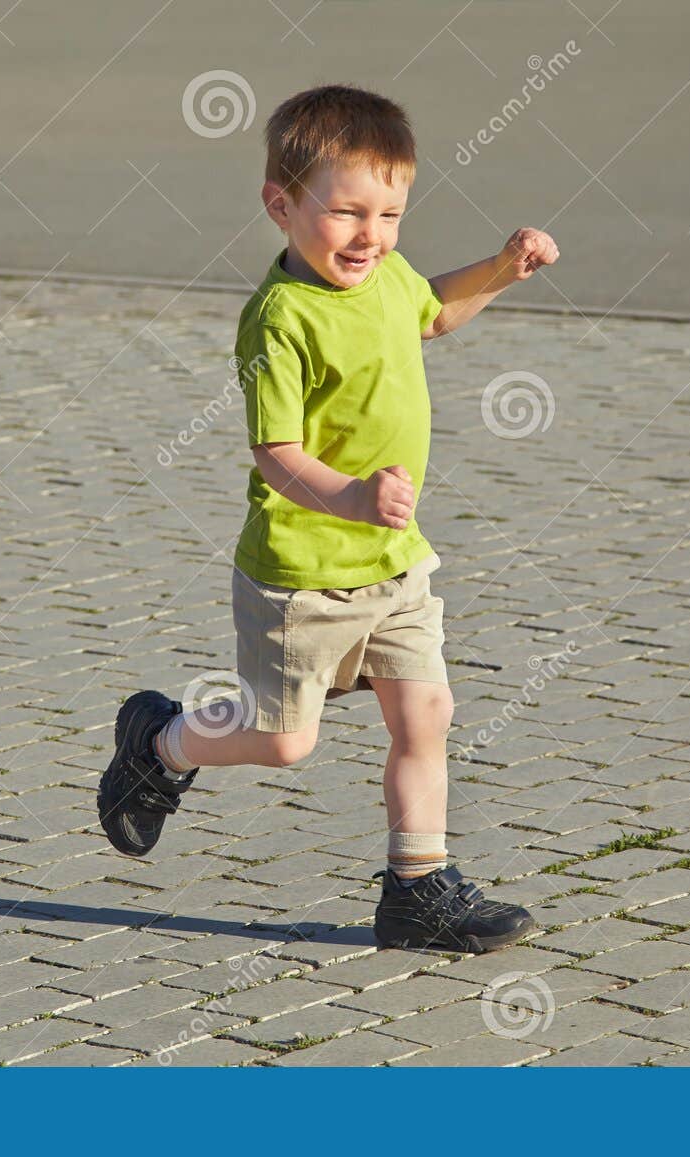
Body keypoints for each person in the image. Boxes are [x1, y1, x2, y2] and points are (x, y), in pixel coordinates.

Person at [98, 83, 560, 954]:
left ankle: (418, 890)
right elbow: (274, 450)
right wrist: (350, 497)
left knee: (426, 714)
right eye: (346, 212)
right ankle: (159, 743)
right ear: (281, 205)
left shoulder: (386, 277)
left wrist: (501, 269)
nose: (370, 235)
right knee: (283, 743)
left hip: (394, 563)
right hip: (300, 576)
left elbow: (434, 313)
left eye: (389, 215)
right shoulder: (279, 319)